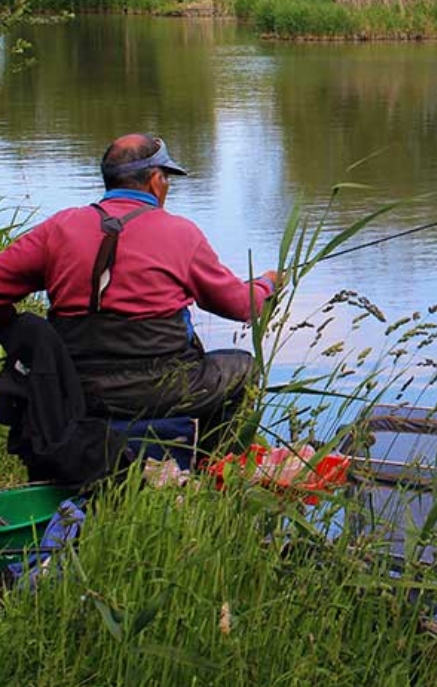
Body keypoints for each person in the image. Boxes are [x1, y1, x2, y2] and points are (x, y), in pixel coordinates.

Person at [0, 133, 279, 451]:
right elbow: (241, 306)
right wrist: (267, 284)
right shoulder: (180, 234)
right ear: (156, 180)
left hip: (76, 389)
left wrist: (17, 331)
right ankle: (211, 461)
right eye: (166, 179)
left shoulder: (58, 228)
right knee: (242, 368)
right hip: (165, 390)